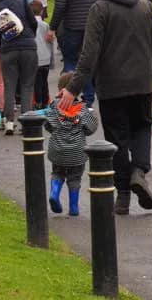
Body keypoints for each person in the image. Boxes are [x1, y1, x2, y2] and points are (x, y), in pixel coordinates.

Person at [59, 0, 152, 215]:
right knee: (142, 128)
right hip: (142, 83)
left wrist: (72, 88)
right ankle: (139, 170)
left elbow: (89, 55)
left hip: (112, 85)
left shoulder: (100, 9)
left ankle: (123, 194)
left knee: (117, 139)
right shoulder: (144, 5)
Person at [48, 0, 96, 106]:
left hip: (72, 25)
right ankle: (89, 97)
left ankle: (69, 94)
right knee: (87, 61)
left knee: (70, 61)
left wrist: (53, 27)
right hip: (92, 24)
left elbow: (60, 6)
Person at [44, 71, 98, 216]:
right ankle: (73, 207)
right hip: (77, 151)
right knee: (75, 178)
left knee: (57, 173)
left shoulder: (54, 106)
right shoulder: (83, 108)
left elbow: (48, 124)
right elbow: (91, 128)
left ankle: (54, 193)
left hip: (58, 150)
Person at [0, 0, 38, 134]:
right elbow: (33, 22)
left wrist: (3, 47)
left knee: (9, 86)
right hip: (28, 48)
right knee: (27, 85)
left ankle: (9, 122)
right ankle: (26, 123)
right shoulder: (22, 1)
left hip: (8, 49)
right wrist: (30, 37)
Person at [30, 0, 54, 108]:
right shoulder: (45, 25)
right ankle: (45, 102)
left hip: (35, 58)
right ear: (41, 11)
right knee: (44, 81)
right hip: (46, 57)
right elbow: (50, 43)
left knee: (37, 82)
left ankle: (38, 102)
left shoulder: (29, 25)